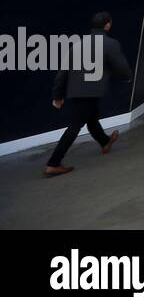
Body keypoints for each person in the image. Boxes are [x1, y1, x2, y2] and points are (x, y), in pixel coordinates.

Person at [44, 12, 134, 178]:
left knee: (91, 118)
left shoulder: (77, 45)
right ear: (107, 25)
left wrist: (58, 94)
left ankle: (105, 142)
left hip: (76, 90)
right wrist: (128, 77)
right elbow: (121, 67)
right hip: (92, 90)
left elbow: (63, 72)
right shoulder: (110, 44)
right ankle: (53, 163)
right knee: (75, 126)